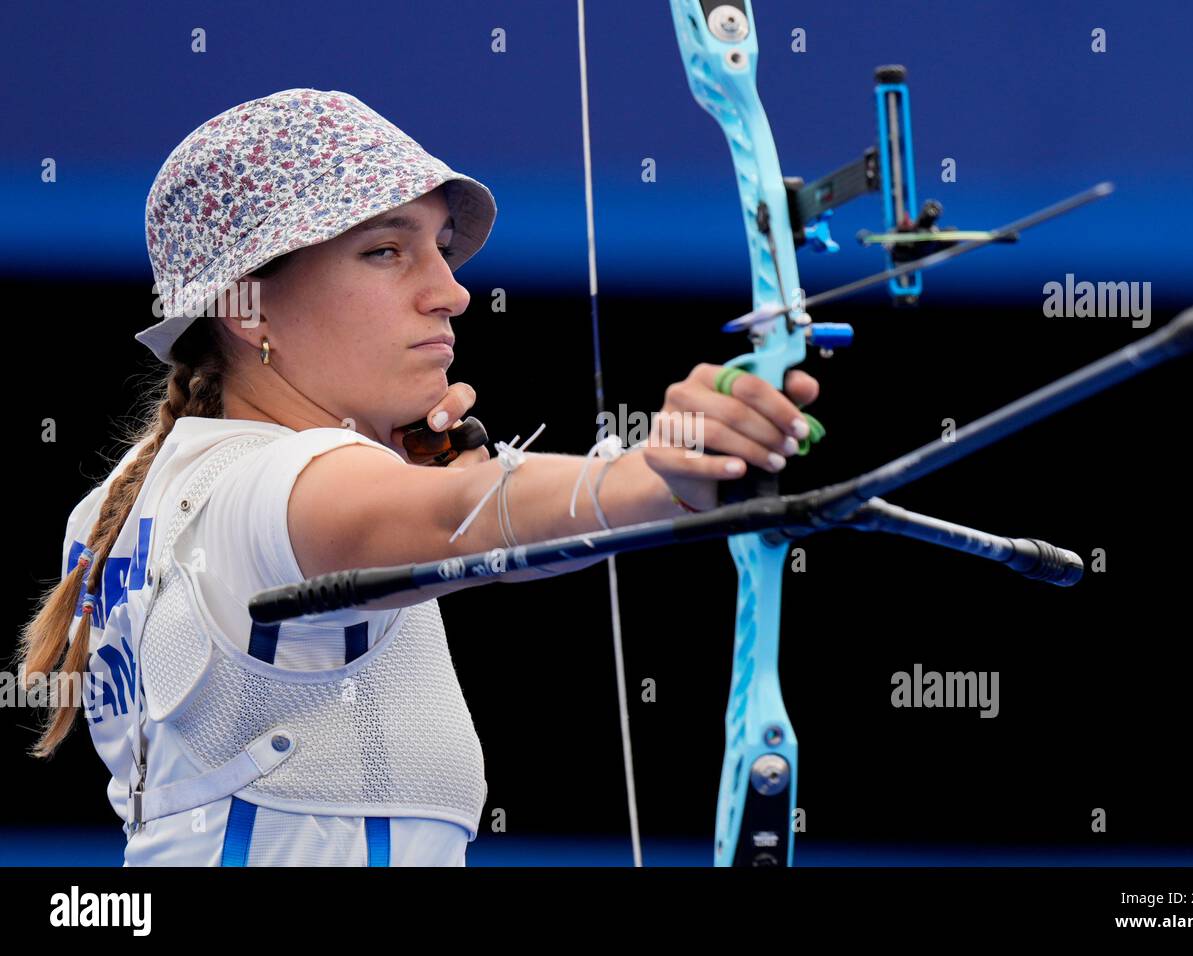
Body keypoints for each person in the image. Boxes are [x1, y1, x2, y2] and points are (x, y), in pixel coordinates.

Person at [15, 88, 819, 866]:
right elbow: (459, 519)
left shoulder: (122, 503)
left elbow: (470, 529)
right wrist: (661, 473)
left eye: (439, 249)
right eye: (386, 251)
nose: (452, 292)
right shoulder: (271, 487)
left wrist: (431, 478)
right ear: (249, 308)